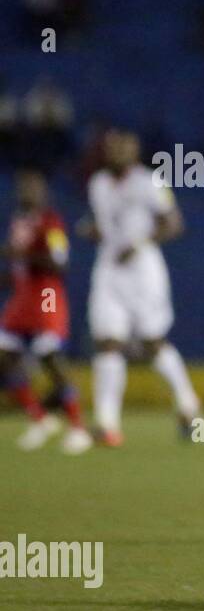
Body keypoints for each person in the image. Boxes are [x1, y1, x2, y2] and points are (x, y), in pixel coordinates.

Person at [82, 129, 200, 445]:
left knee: (152, 342)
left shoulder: (150, 182)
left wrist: (140, 243)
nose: (116, 152)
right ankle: (107, 424)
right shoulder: (98, 184)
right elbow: (107, 224)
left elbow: (173, 223)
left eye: (123, 148)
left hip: (144, 271)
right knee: (107, 342)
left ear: (134, 153)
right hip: (108, 270)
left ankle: (188, 403)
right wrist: (92, 231)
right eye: (112, 147)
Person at [0, 168, 92, 453]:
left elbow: (59, 263)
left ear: (44, 193)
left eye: (33, 187)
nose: (27, 192)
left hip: (47, 294)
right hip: (23, 294)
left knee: (48, 354)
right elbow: (18, 267)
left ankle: (79, 428)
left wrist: (22, 256)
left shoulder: (51, 223)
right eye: (23, 187)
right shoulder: (18, 222)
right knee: (4, 355)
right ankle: (39, 418)